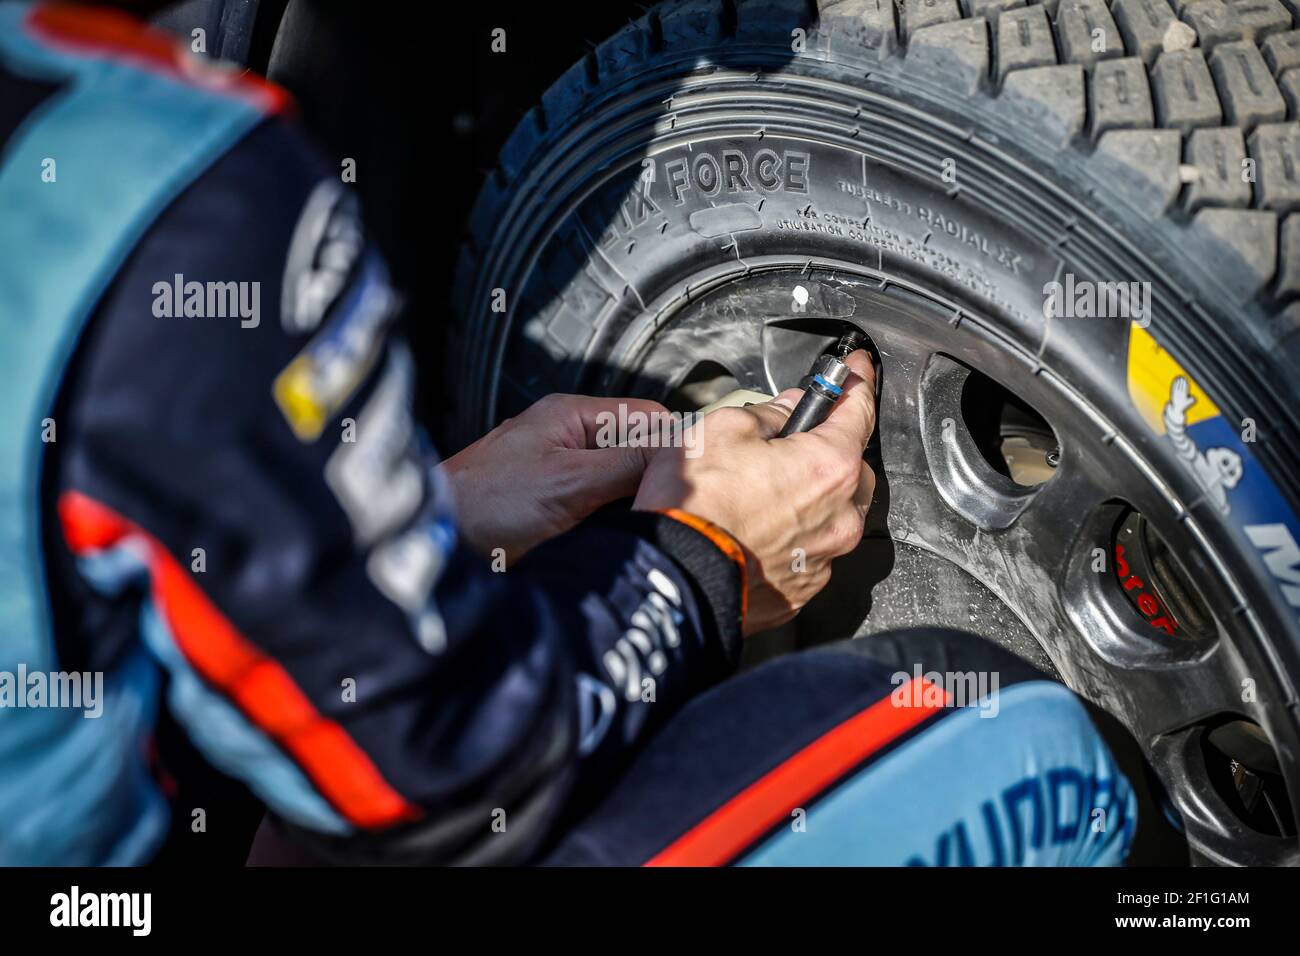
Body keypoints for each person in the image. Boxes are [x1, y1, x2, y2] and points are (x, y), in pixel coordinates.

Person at [0, 0, 1137, 866]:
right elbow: (442, 772)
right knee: (1022, 740)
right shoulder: (166, 185)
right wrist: (701, 562)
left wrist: (422, 519)